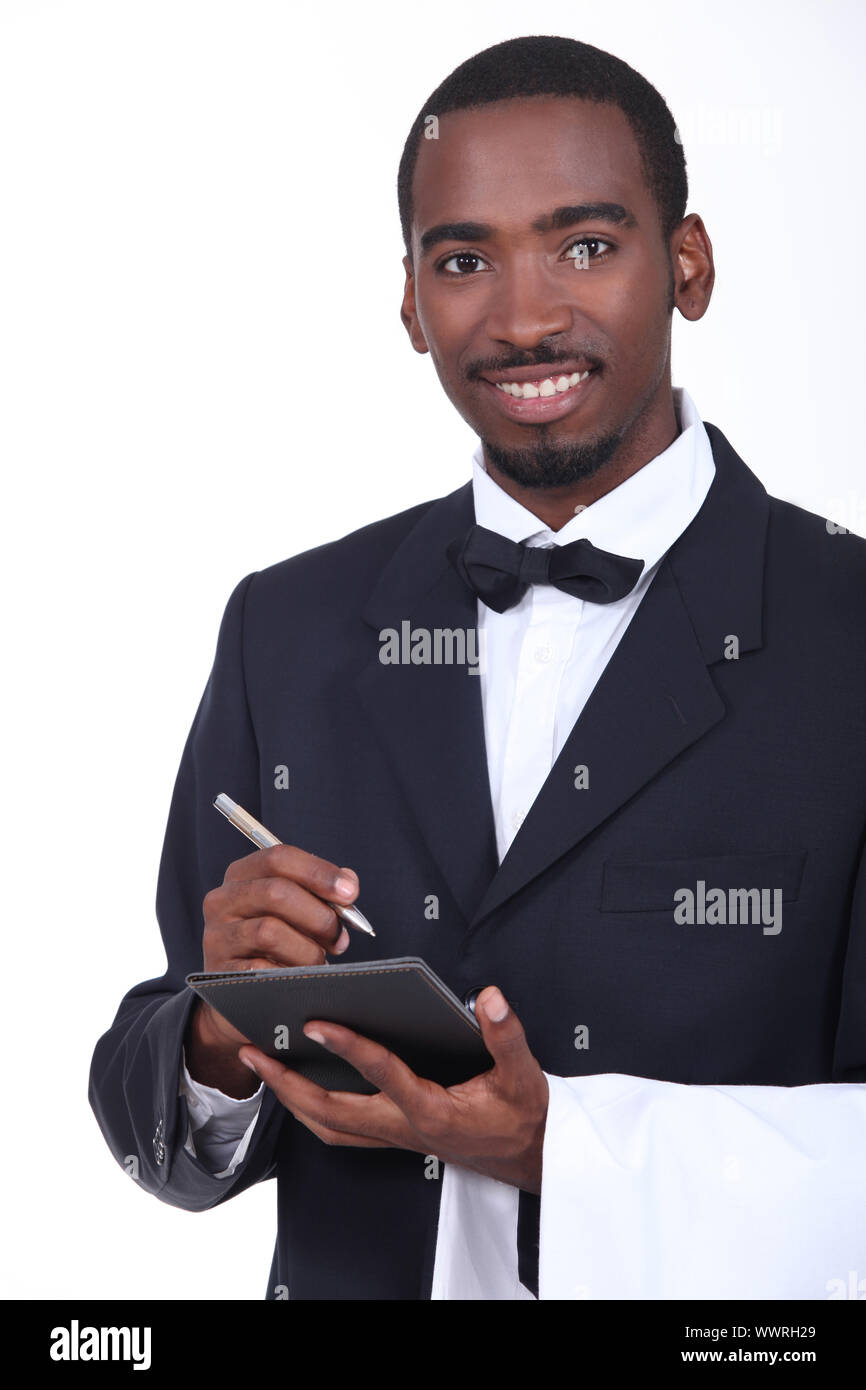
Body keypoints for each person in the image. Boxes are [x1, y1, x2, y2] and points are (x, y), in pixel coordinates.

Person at [89, 34, 866, 1300]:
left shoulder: (847, 634)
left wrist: (564, 1147)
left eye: (585, 244)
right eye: (463, 260)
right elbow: (165, 1124)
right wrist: (216, 1039)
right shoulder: (285, 624)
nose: (523, 318)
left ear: (689, 263)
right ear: (406, 301)